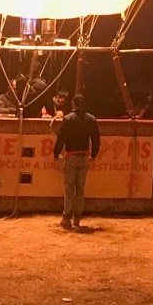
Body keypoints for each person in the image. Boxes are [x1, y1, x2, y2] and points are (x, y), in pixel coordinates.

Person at [52, 93, 101, 230]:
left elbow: (61, 138)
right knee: (80, 188)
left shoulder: (68, 119)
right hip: (84, 156)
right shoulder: (91, 119)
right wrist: (94, 155)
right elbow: (96, 140)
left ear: (73, 104)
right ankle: (77, 219)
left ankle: (66, 217)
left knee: (69, 188)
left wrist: (56, 153)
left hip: (71, 156)